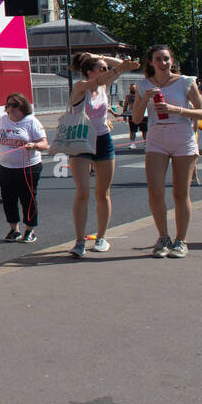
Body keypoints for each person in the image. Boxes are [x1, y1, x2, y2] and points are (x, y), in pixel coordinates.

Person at [132, 43, 202, 258]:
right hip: (157, 137)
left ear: (172, 60)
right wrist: (145, 98)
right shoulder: (143, 85)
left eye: (166, 59)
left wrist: (176, 109)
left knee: (180, 192)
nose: (163, 63)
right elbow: (137, 118)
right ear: (151, 62)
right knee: (155, 191)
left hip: (182, 137)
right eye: (158, 59)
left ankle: (181, 240)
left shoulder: (185, 82)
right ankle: (163, 237)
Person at [67, 51, 141, 258]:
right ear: (89, 72)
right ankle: (80, 240)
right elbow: (120, 68)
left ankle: (101, 237)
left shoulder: (103, 87)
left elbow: (125, 66)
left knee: (103, 192)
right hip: (82, 141)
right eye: (101, 69)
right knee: (83, 192)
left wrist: (101, 57)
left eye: (106, 69)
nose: (106, 71)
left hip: (103, 139)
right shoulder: (81, 87)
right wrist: (118, 68)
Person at [0, 93, 48, 242]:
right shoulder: (3, 120)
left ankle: (30, 230)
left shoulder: (31, 122)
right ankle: (14, 229)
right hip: (6, 166)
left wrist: (34, 145)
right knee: (8, 199)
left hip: (28, 167)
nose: (10, 108)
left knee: (28, 198)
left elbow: (45, 144)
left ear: (22, 106)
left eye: (14, 105)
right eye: (8, 105)